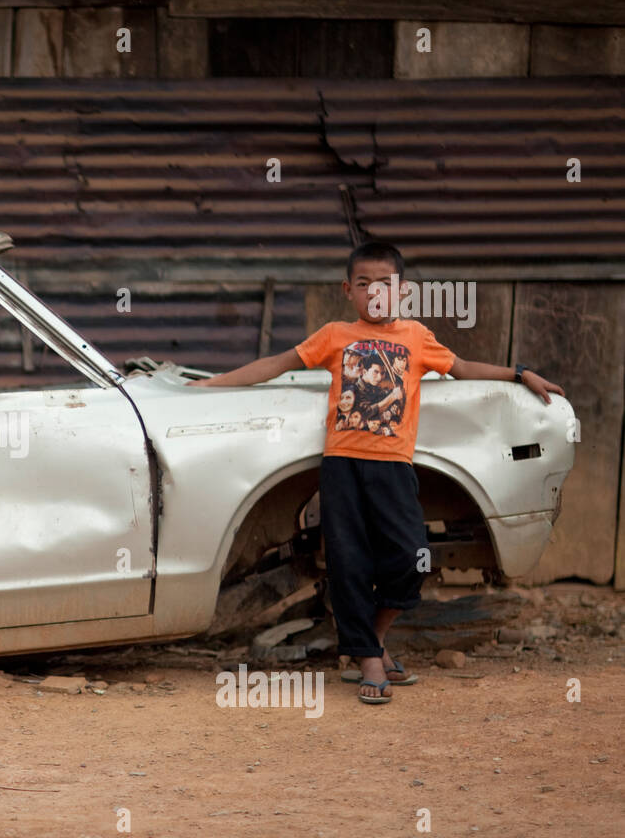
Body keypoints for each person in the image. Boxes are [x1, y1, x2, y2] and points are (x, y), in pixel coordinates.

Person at [187, 241, 565, 703]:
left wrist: (520, 373)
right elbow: (276, 364)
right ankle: (367, 660)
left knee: (411, 558)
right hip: (342, 467)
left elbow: (463, 369)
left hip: (394, 469)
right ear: (349, 291)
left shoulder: (417, 338)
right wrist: (212, 383)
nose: (375, 293)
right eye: (364, 284)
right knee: (348, 562)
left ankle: (374, 639)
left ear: (403, 291)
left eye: (384, 284)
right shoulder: (334, 336)